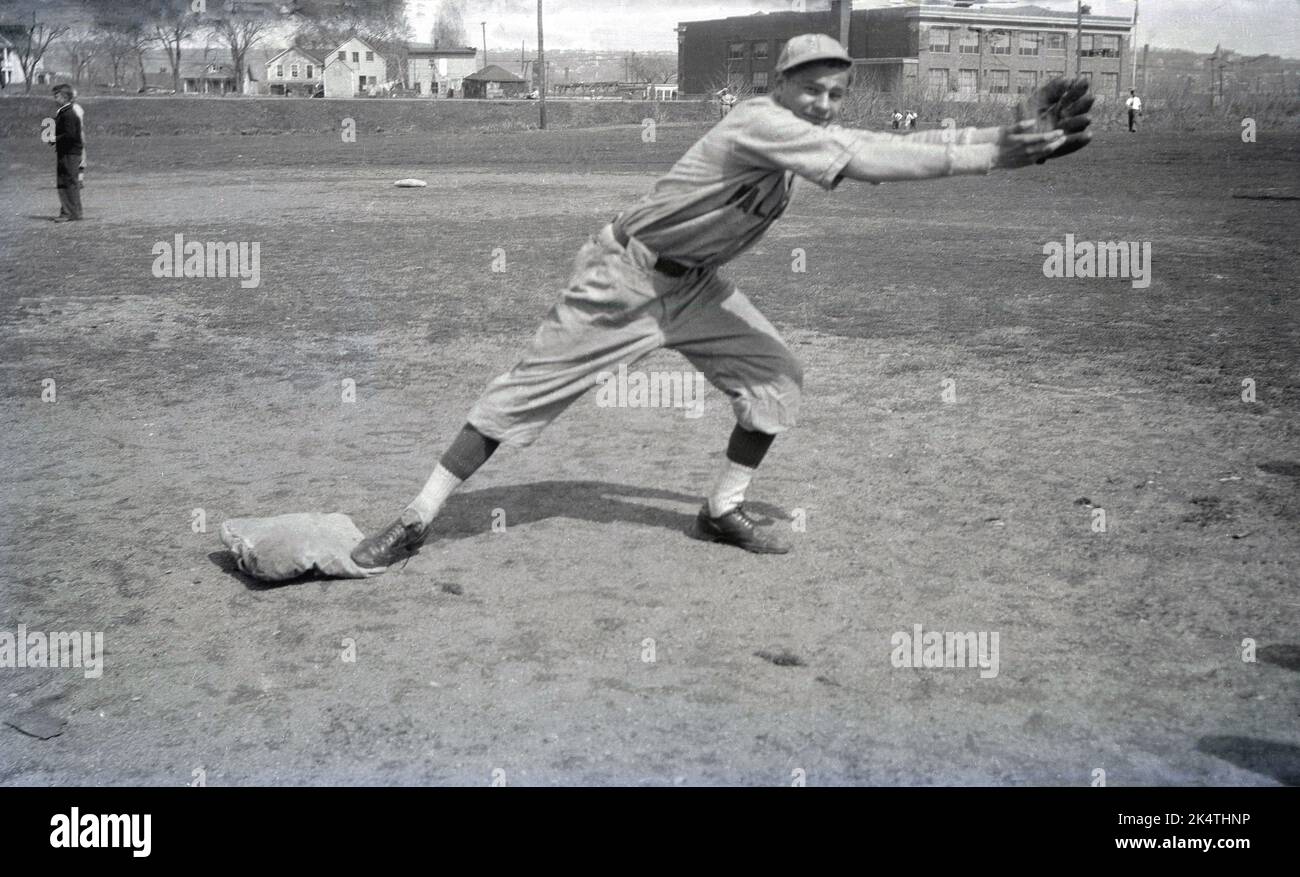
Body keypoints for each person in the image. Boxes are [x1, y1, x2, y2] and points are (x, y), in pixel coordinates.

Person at [350, 33, 1093, 569]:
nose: (825, 103)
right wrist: (997, 149)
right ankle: (415, 519)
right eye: (812, 88)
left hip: (695, 287)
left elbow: (872, 142)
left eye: (836, 93)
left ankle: (720, 511)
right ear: (779, 86)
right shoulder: (758, 122)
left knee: (776, 381)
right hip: (624, 280)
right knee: (518, 400)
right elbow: (868, 159)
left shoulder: (799, 138)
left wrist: (999, 137)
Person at [50, 84, 85, 222]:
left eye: (56, 96)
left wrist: (55, 138)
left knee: (68, 181)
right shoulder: (63, 112)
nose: (54, 99)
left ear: (65, 97)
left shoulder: (68, 114)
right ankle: (69, 211)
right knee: (66, 181)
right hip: (67, 151)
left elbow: (70, 135)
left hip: (70, 152)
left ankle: (71, 213)